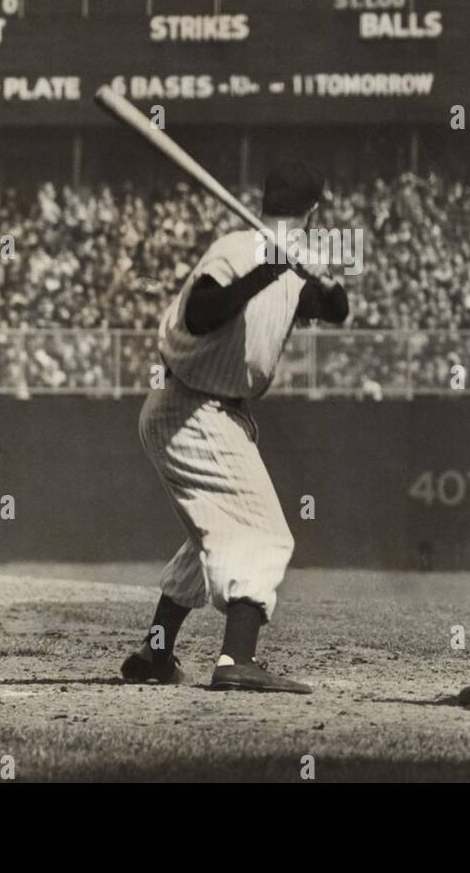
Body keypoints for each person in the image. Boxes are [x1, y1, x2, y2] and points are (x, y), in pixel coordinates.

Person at [124, 162, 348, 693]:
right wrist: (266, 270)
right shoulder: (237, 249)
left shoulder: (292, 264)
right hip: (193, 408)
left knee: (209, 538)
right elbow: (201, 314)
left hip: (206, 410)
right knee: (263, 533)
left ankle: (156, 653)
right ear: (313, 211)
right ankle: (236, 660)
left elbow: (331, 309)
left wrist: (331, 289)